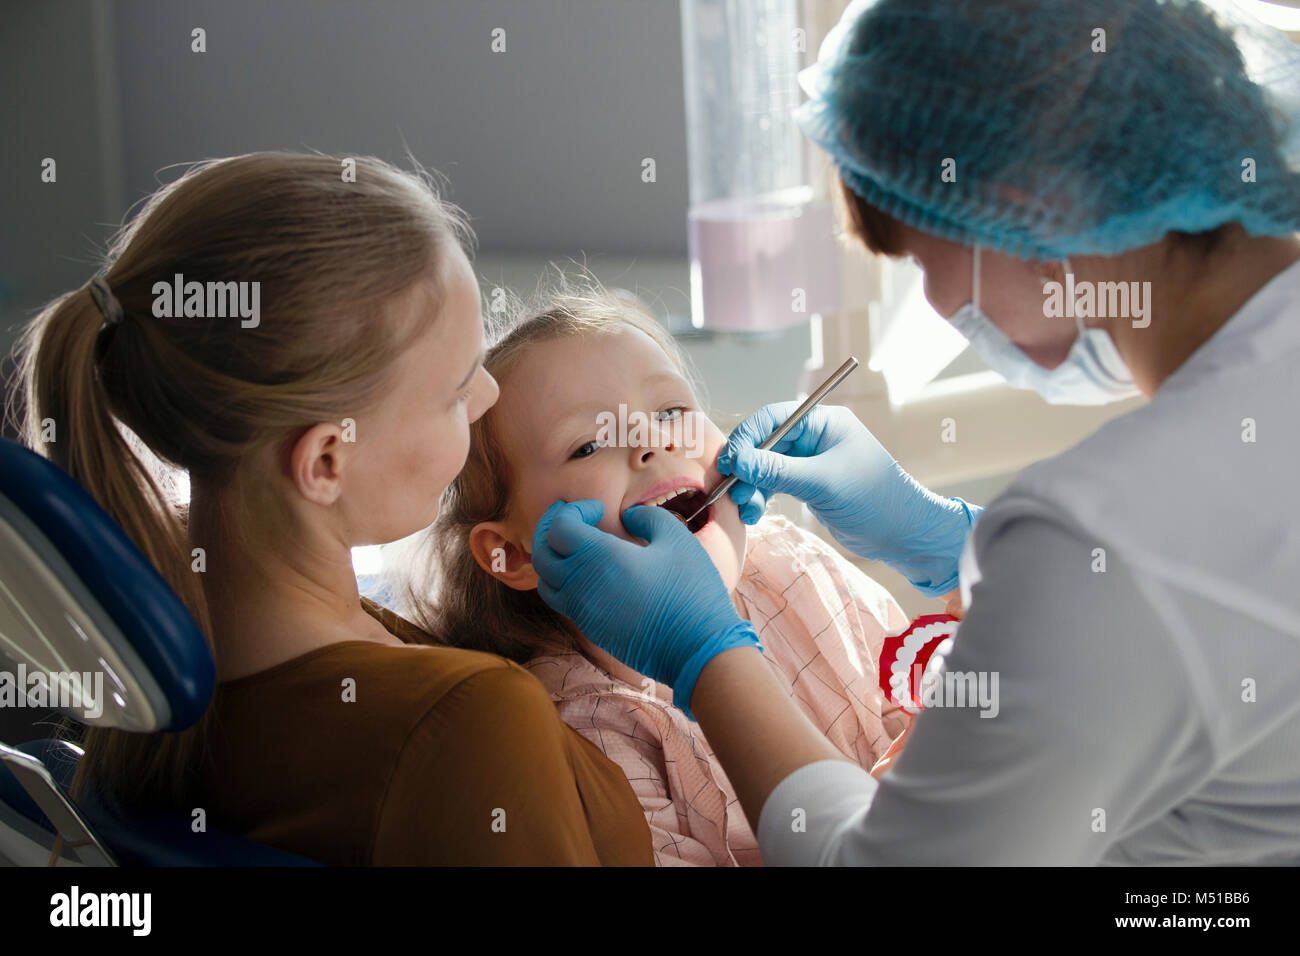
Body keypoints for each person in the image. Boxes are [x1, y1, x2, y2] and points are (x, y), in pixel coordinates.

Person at [527, 0, 1300, 864]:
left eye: (923, 258)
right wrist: (957, 542)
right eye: (589, 442)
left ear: (1031, 214)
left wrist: (706, 657)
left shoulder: (1105, 542)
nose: (934, 303)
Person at [11, 152, 653, 865]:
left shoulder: (142, 647)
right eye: (455, 389)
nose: (487, 400)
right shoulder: (469, 724)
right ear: (324, 462)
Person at [395, 280, 912, 865]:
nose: (649, 441)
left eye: (670, 410)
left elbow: (932, 714)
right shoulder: (580, 736)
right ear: (511, 554)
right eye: (588, 445)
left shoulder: (796, 565)